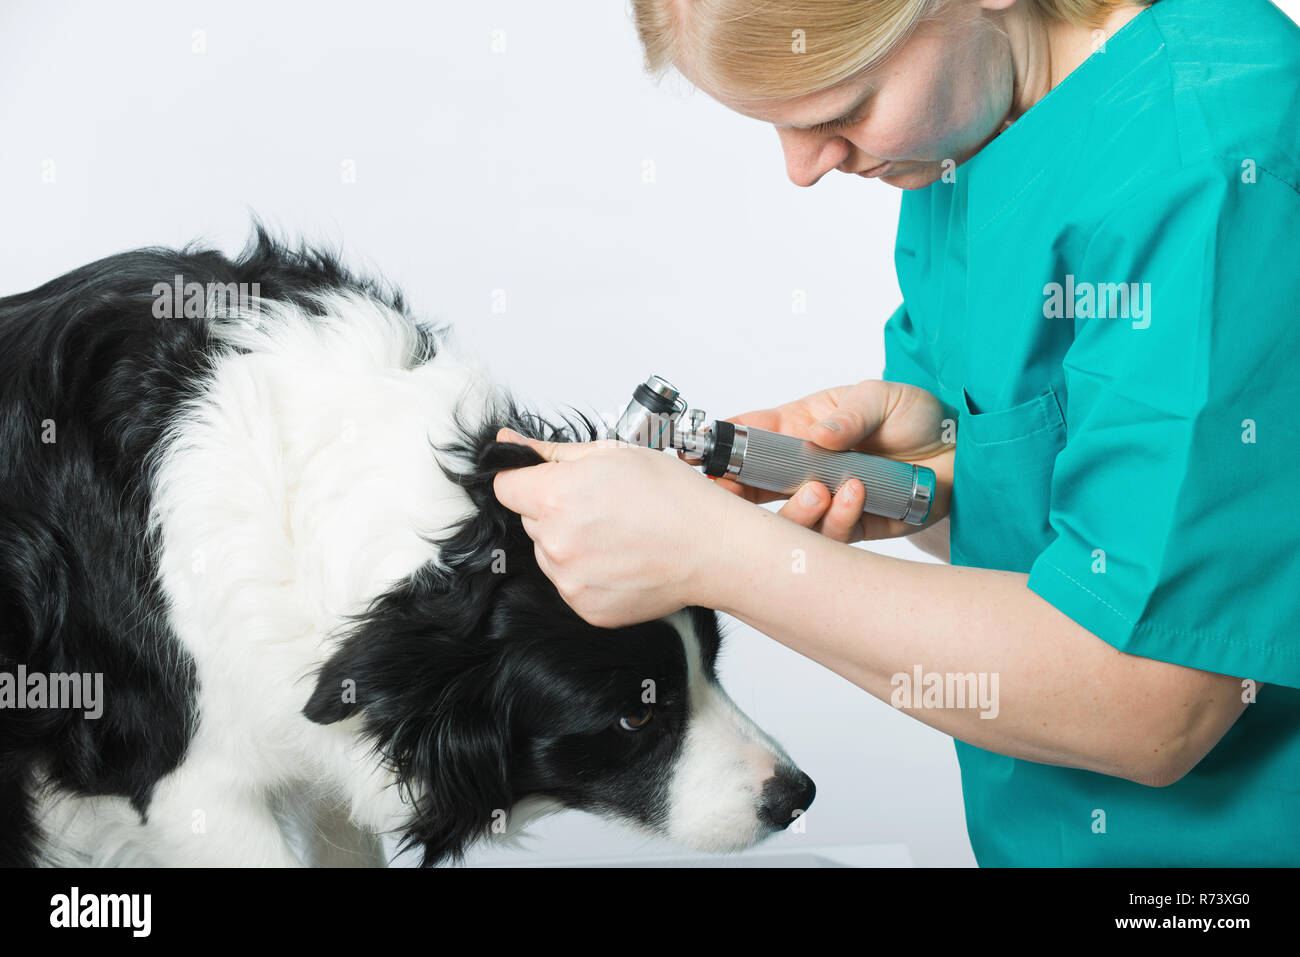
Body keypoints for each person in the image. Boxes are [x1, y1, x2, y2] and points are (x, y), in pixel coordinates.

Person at [490, 0, 1300, 865]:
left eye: (841, 109)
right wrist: (946, 467)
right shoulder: (970, 134)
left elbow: (1151, 700)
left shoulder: (1205, 161)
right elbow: (1060, 536)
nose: (801, 168)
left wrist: (714, 553)